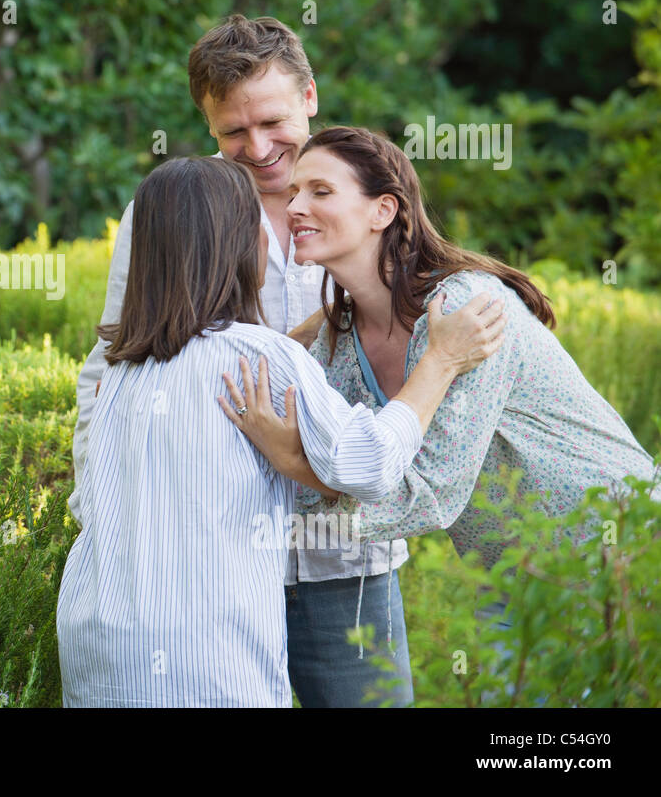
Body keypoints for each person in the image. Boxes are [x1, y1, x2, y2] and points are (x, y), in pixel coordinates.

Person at [74, 14, 433, 707]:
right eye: (233, 133)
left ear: (310, 97)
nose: (260, 148)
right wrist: (101, 513)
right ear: (208, 126)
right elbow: (112, 366)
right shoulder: (170, 216)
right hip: (209, 559)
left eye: (272, 122)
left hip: (341, 554)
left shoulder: (371, 201)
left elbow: (409, 348)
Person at [56, 155, 505, 707]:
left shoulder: (122, 373)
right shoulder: (256, 354)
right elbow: (368, 463)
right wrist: (440, 361)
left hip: (99, 651)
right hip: (213, 667)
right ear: (244, 246)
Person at [220, 126, 660, 612]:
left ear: (382, 210)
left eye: (320, 191)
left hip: (624, 559)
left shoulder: (463, 310)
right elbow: (357, 475)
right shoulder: (337, 345)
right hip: (518, 588)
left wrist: (293, 464)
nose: (295, 206)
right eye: (296, 192)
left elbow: (430, 490)